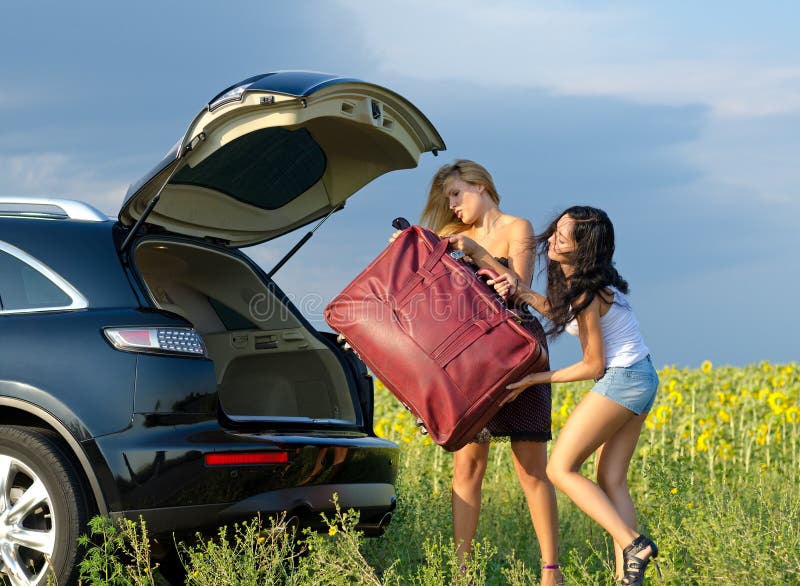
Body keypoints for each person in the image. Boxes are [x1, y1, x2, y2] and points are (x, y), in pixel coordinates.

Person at [391, 160, 563, 586]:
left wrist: (477, 253)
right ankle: (462, 575)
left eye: (456, 193)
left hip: (514, 351)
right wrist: (406, 247)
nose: (452, 204)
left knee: (531, 469)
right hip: (469, 359)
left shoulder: (516, 228)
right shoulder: (450, 237)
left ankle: (550, 572)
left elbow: (517, 292)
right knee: (468, 467)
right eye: (447, 198)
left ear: (481, 186)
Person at [488, 206, 660, 585]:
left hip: (623, 378)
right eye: (554, 232)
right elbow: (560, 314)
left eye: (561, 238)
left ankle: (634, 544)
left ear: (581, 250)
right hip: (643, 376)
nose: (551, 240)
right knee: (611, 479)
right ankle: (625, 577)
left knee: (559, 469)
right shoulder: (587, 285)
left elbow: (592, 366)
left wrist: (536, 379)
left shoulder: (584, 291)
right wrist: (521, 290)